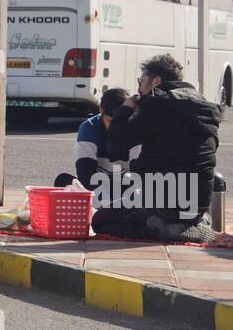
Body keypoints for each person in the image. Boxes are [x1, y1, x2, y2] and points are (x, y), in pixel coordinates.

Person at [91, 53, 221, 243]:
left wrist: (126, 108)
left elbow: (117, 144)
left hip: (162, 203)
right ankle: (192, 223)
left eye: (141, 81)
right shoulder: (202, 105)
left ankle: (163, 228)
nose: (138, 89)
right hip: (197, 204)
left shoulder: (158, 103)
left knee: (100, 220)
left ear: (156, 81)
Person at [54, 88, 129, 191]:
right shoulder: (89, 127)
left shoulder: (137, 127)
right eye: (111, 121)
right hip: (99, 186)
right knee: (62, 180)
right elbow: (85, 174)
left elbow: (142, 172)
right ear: (101, 110)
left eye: (121, 121)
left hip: (126, 186)